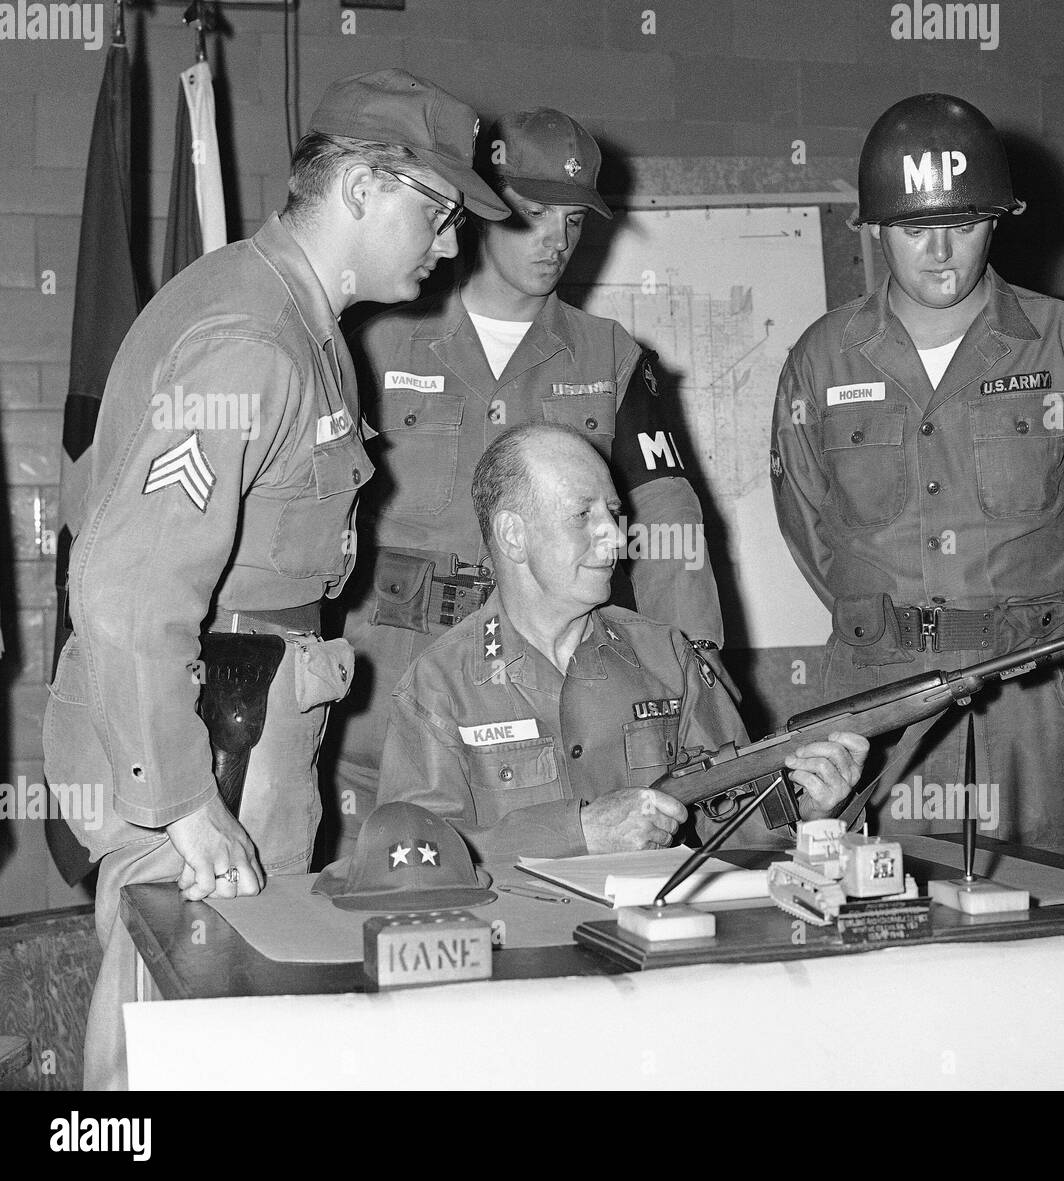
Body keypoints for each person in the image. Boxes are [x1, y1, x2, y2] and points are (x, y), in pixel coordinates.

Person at [41, 68, 507, 1089]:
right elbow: (127, 585)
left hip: (239, 719)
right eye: (435, 210)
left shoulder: (297, 323)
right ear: (361, 187)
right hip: (205, 745)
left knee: (221, 1037)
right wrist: (183, 797)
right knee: (169, 1040)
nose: (453, 241)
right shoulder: (250, 337)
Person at [770, 93, 1064, 857]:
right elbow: (808, 523)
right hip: (873, 702)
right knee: (879, 920)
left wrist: (1044, 634)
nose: (940, 252)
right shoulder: (817, 360)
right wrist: (895, 629)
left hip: (1030, 696)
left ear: (999, 219)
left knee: (1037, 919)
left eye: (962, 225)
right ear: (877, 230)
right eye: (916, 230)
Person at [327, 107, 723, 859]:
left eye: (574, 220)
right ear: (482, 207)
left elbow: (670, 522)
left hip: (550, 708)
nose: (556, 240)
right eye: (534, 214)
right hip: (386, 684)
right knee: (381, 897)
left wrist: (696, 671)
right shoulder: (377, 337)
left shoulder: (608, 356)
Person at [378, 422, 868, 859]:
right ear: (513, 535)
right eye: (582, 514)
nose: (615, 536)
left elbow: (734, 831)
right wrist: (576, 833)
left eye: (613, 512)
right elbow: (412, 858)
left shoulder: (667, 656)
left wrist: (808, 812)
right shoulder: (440, 684)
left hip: (654, 934)